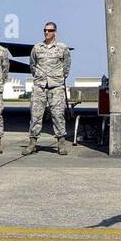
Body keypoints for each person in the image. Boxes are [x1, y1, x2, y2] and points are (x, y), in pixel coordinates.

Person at [26, 21, 72, 155]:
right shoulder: (37, 48)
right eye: (45, 30)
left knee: (58, 115)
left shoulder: (62, 48)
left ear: (55, 32)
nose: (47, 32)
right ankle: (32, 143)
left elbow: (66, 66)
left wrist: (58, 78)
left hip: (55, 86)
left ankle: (61, 144)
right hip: (40, 86)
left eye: (50, 30)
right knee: (35, 115)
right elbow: (32, 65)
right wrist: (39, 78)